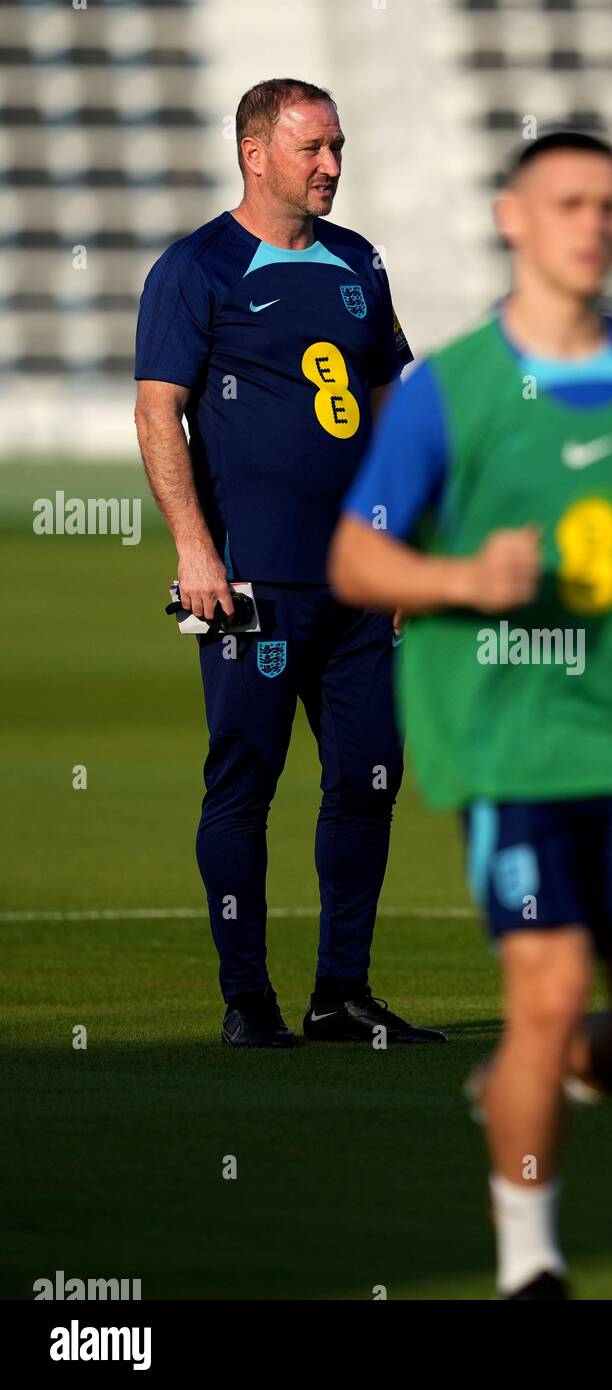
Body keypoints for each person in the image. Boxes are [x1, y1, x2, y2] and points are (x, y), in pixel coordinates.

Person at [329, 131, 612, 1298]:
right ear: (513, 216)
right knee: (550, 994)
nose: (595, 225)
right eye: (569, 203)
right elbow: (358, 558)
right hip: (504, 737)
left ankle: (523, 1076)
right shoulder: (448, 386)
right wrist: (462, 581)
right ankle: (531, 1264)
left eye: (611, 207)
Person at [134, 77, 445, 1047]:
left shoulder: (358, 259)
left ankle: (340, 993)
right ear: (255, 153)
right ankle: (247, 1000)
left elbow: (394, 398)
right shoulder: (197, 269)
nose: (332, 167)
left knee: (369, 777)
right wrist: (194, 547)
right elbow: (159, 411)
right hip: (252, 584)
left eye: (339, 147)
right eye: (312, 149)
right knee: (246, 783)